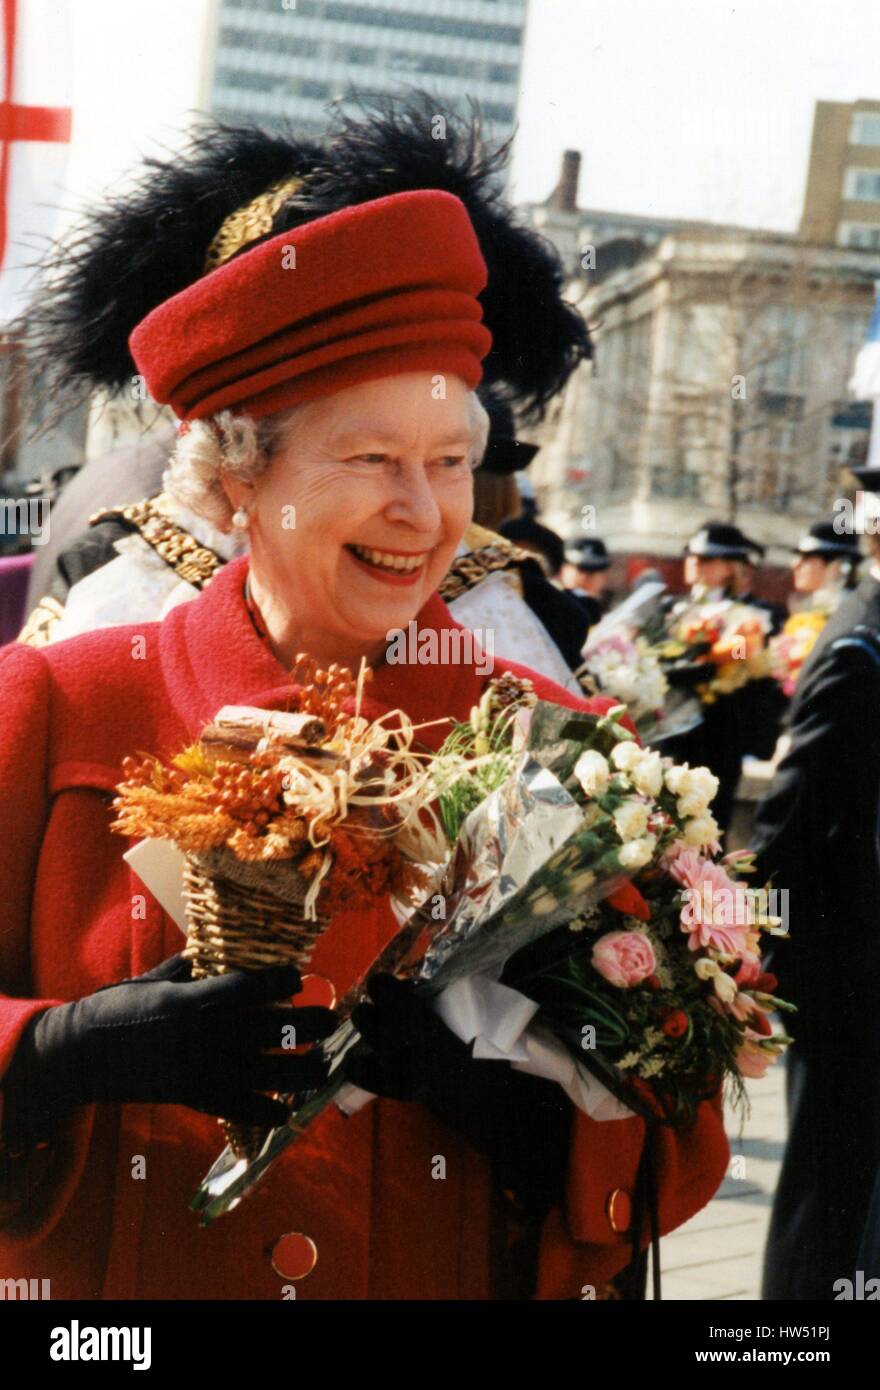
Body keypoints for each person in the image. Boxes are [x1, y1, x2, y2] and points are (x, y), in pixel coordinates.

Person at [0, 103, 727, 1302]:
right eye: (370, 458)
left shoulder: (554, 746)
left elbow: (671, 1134)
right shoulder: (58, 707)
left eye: (448, 460)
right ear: (239, 477)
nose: (425, 511)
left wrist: (488, 1085)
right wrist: (64, 1052)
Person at [753, 467, 880, 1300]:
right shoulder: (858, 644)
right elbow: (785, 823)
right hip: (843, 968)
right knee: (826, 1185)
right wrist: (757, 955)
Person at [650, 522, 785, 832]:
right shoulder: (671, 608)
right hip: (668, 733)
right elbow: (652, 658)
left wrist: (718, 655)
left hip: (719, 736)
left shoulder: (758, 613)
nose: (694, 563)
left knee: (708, 829)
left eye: (707, 559)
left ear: (731, 567)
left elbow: (748, 657)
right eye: (691, 555)